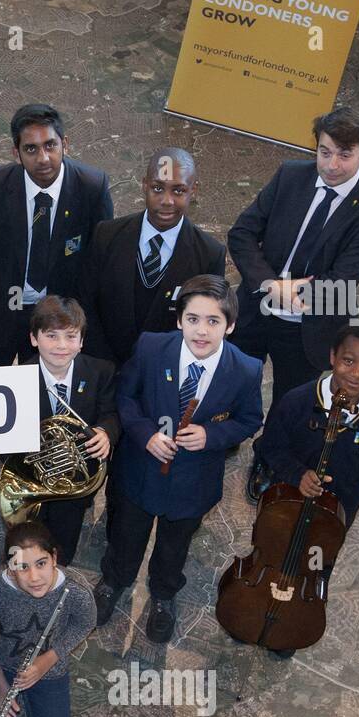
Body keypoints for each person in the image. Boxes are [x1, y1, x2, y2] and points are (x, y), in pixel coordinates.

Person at [227, 107, 359, 500]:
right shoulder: (290, 175)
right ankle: (230, 432)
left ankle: (267, 457)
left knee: (290, 402)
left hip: (312, 324)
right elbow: (242, 234)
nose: (332, 165)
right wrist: (271, 284)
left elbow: (344, 278)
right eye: (324, 152)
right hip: (257, 303)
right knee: (236, 375)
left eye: (344, 154)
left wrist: (293, 294)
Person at [0, 103, 113, 492]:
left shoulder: (91, 187)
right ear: (15, 152)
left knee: (43, 394)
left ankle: (32, 463)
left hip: (54, 318)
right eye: (31, 149)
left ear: (65, 144)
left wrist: (79, 321)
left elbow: (98, 258)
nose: (43, 157)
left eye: (50, 145)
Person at [94, 275, 263, 644]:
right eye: (193, 319)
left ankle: (164, 594)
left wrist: (212, 436)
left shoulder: (247, 369)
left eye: (213, 321)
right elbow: (127, 398)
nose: (201, 331)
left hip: (193, 482)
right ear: (179, 320)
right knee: (126, 534)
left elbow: (250, 420)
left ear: (230, 326)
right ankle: (114, 581)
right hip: (140, 470)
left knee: (175, 544)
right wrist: (145, 435)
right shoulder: (152, 348)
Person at [253, 322, 359, 659]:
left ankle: (291, 624)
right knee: (271, 552)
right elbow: (270, 447)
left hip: (336, 513)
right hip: (285, 501)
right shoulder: (296, 400)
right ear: (332, 358)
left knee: (315, 565)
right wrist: (298, 474)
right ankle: (253, 611)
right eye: (348, 361)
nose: (357, 374)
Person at [79, 147, 226, 363]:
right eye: (158, 188)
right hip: (104, 368)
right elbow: (86, 303)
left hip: (164, 373)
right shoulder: (106, 235)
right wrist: (104, 365)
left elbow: (204, 324)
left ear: (193, 191)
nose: (167, 200)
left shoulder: (209, 254)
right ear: (144, 185)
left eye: (178, 191)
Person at [0, 522, 95, 717]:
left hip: (48, 669)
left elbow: (85, 623)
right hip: (0, 665)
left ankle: (30, 700)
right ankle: (6, 696)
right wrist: (1, 687)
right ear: (10, 567)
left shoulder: (75, 591)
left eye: (41, 563)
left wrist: (48, 660)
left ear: (54, 558)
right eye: (22, 567)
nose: (35, 577)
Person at [20, 296, 118, 568]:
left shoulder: (101, 372)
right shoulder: (15, 380)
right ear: (34, 338)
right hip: (32, 481)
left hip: (74, 485)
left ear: (82, 341)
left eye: (71, 336)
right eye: (51, 336)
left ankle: (59, 571)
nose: (62, 346)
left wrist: (105, 432)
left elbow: (110, 413)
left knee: (65, 539)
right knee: (27, 539)